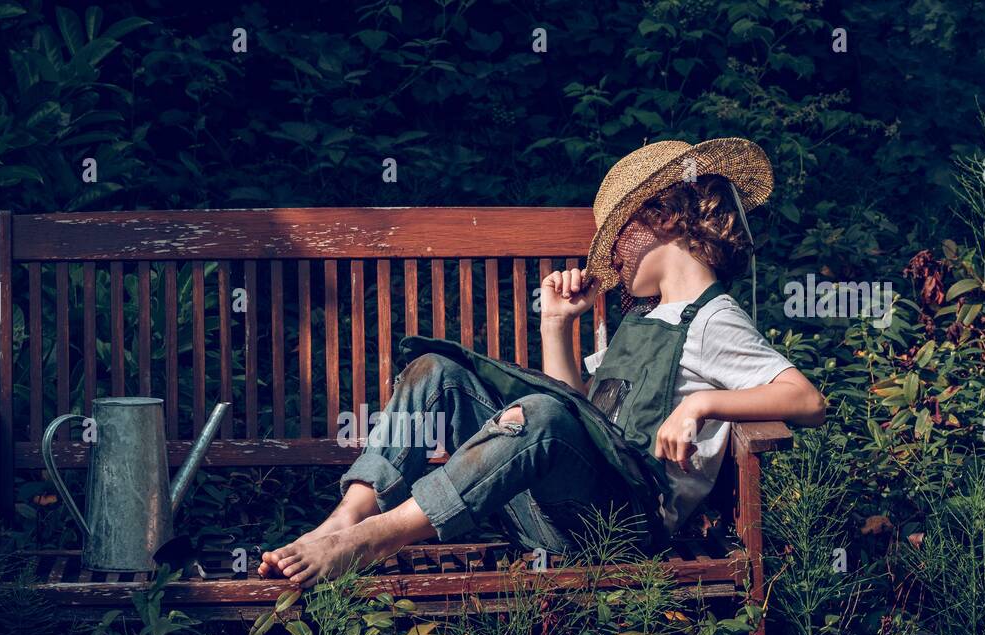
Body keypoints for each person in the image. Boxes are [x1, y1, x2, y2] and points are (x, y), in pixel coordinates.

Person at [259, 138, 826, 587]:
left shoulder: (711, 318)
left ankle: (377, 538)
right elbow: (573, 415)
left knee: (540, 417)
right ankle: (345, 520)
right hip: (561, 509)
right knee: (436, 372)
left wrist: (703, 403)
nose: (613, 255)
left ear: (668, 219)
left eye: (620, 232)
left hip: (623, 526)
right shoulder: (643, 321)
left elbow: (805, 399)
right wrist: (557, 325)